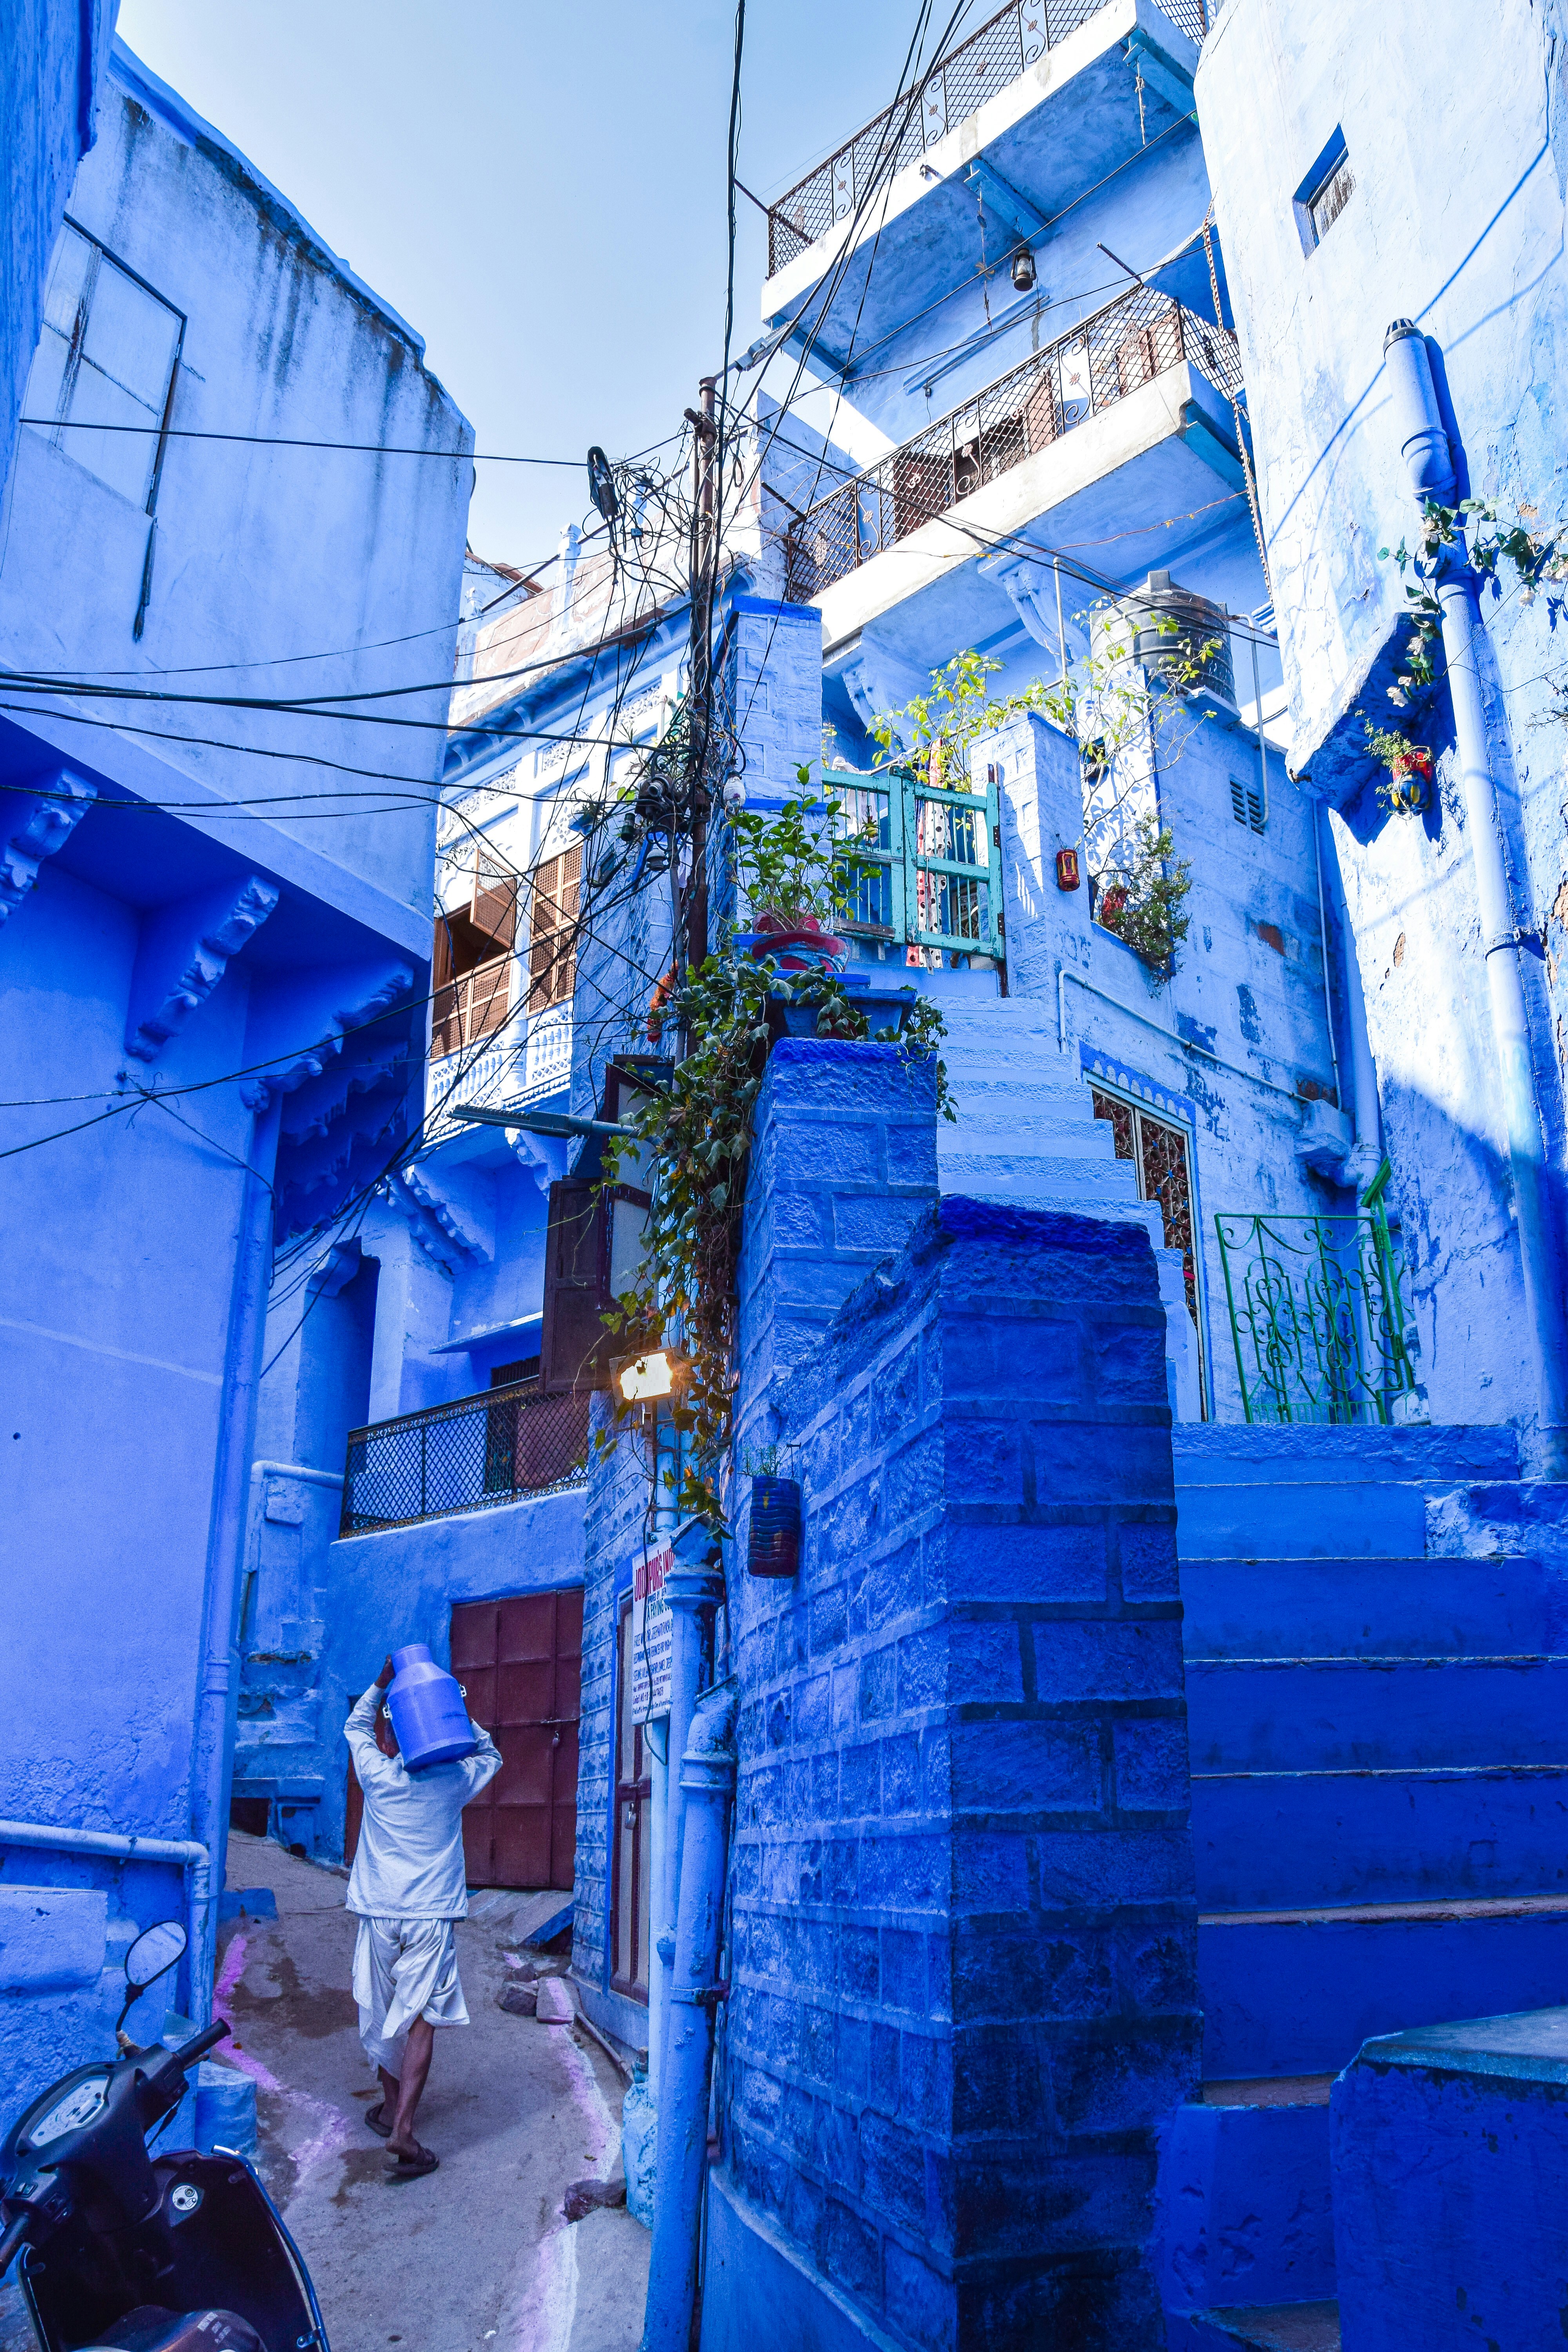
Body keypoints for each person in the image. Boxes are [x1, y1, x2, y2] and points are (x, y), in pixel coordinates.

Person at [342, 1653, 500, 2180]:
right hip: (430, 1918)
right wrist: (453, 1707)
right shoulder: (453, 1782)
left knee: (383, 2014)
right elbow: (490, 1752)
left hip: (378, 1913)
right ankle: (404, 2129)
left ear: (400, 1735)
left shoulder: (379, 1778)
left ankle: (390, 2112)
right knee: (421, 2021)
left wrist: (382, 1682)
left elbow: (356, 1725)